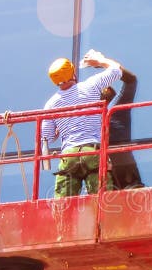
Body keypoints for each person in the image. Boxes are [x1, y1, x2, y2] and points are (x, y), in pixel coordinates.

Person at [41, 51, 122, 198]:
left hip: (69, 155)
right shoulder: (91, 85)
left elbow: (47, 137)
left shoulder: (51, 104)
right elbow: (117, 70)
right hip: (92, 151)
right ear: (73, 73)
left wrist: (63, 125)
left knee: (63, 207)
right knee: (103, 201)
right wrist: (100, 60)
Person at [101, 67, 144, 189]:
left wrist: (104, 63)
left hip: (118, 172)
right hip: (121, 171)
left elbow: (131, 82)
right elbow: (131, 81)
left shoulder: (114, 111)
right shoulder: (112, 113)